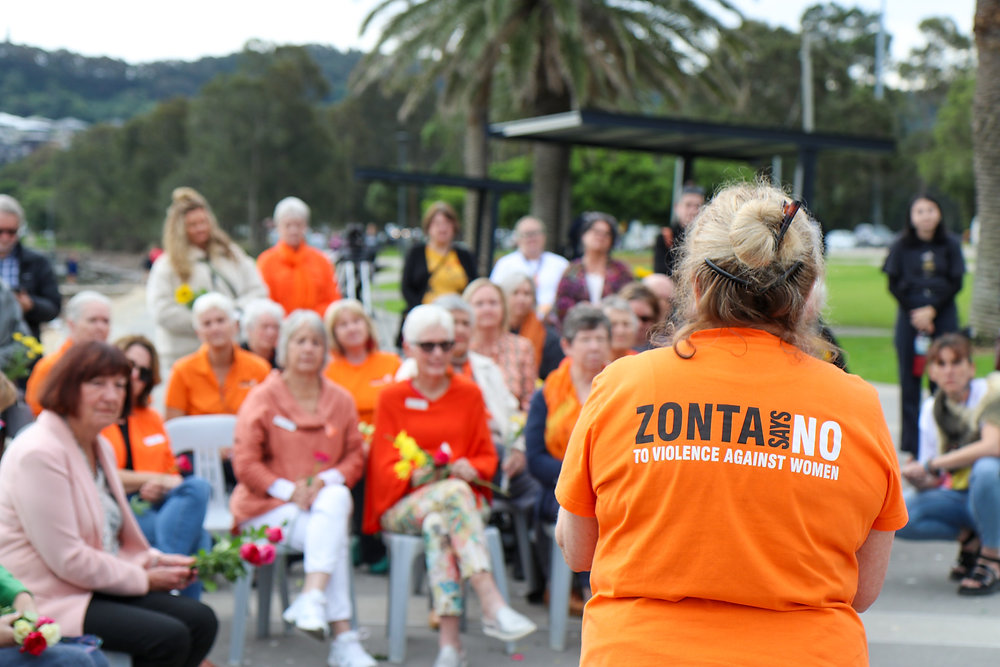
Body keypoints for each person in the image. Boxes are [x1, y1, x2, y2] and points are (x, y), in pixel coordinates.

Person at [554, 182, 907, 665]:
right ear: (805, 293)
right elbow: (864, 589)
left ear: (695, 284)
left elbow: (578, 550)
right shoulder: (856, 404)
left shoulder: (622, 385)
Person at [0, 341, 218, 666]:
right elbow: (68, 559)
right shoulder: (39, 452)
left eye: (120, 384)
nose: (112, 395)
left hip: (85, 584)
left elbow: (107, 537)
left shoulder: (99, 443)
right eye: (97, 383)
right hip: (48, 595)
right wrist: (144, 578)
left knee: (201, 620)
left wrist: (157, 562)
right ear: (68, 386)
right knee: (168, 637)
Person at [364, 305, 537, 667]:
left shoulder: (468, 394)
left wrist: (467, 466)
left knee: (440, 523)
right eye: (427, 346)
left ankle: (449, 644)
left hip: (459, 506)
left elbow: (486, 459)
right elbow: (383, 468)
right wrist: (424, 470)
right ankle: (489, 600)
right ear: (408, 348)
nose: (438, 353)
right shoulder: (391, 398)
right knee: (453, 495)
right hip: (405, 504)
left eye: (445, 344)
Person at [231, 310, 376, 667]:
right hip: (266, 508)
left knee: (337, 497)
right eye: (300, 341)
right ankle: (343, 638)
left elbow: (355, 457)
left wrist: (322, 481)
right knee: (333, 536)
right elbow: (245, 463)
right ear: (284, 347)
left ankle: (312, 598)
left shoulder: (340, 400)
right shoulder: (264, 397)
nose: (308, 349)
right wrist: (287, 490)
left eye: (315, 341)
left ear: (325, 350)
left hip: (322, 505)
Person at [100, 335, 211, 599]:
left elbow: (171, 472)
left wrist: (159, 486)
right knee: (199, 538)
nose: (136, 375)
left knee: (198, 486)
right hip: (121, 503)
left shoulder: (151, 417)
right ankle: (175, 592)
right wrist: (150, 480)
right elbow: (104, 473)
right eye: (130, 366)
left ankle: (165, 574)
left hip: (159, 501)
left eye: (144, 371)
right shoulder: (100, 413)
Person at [896, 333, 1000, 595]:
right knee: (897, 516)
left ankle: (992, 556)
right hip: (960, 493)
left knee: (986, 469)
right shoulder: (933, 409)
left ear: (972, 367)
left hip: (992, 491)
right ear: (931, 371)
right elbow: (936, 476)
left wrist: (932, 463)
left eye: (957, 362)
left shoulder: (992, 392)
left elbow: (993, 446)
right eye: (941, 364)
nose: (949, 371)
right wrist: (920, 476)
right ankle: (971, 537)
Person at [526, 304, 611, 612]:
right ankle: (581, 586)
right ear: (566, 345)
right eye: (585, 339)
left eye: (600, 339)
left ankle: (611, 586)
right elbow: (534, 458)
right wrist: (579, 476)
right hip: (558, 485)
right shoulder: (548, 391)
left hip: (612, 481)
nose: (594, 346)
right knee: (580, 506)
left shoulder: (623, 386)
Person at [147, 187, 268, 371]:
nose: (200, 229)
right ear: (180, 229)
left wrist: (233, 315)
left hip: (234, 353)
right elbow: (162, 309)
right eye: (193, 225)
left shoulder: (231, 254)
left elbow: (258, 290)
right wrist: (204, 324)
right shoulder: (167, 265)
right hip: (186, 355)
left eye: (203, 222)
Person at [883, 193, 965, 459]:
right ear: (911, 216)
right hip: (909, 321)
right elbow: (893, 283)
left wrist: (932, 311)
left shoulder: (951, 244)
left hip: (943, 319)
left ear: (939, 213)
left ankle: (947, 440)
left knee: (945, 381)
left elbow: (956, 282)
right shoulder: (901, 245)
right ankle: (913, 447)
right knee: (910, 383)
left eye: (931, 209)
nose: (926, 215)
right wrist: (917, 313)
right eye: (920, 211)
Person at [322, 298, 401, 571]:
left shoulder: (391, 363)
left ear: (367, 326)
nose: (351, 328)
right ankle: (368, 542)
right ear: (334, 333)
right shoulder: (329, 370)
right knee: (356, 461)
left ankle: (371, 539)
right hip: (346, 441)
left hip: (390, 439)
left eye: (356, 321)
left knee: (377, 460)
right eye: (343, 325)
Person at [165, 293, 270, 420]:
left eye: (221, 321)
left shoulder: (259, 368)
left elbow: (270, 417)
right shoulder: (182, 371)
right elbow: (173, 425)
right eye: (207, 323)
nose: (215, 328)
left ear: (235, 326)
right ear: (198, 332)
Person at [0, 564, 110, 666]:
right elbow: (73, 564)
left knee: (96, 657)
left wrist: (20, 596)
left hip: (72, 597)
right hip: (58, 600)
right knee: (74, 660)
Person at [26, 291, 112, 416]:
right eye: (92, 320)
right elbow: (36, 410)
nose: (100, 327)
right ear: (72, 324)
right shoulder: (51, 366)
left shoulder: (114, 365)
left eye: (105, 321)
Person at [399, 202, 477, 338]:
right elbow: (406, 288)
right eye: (437, 223)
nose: (442, 228)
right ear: (429, 227)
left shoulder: (464, 255)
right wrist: (420, 311)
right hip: (426, 317)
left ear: (454, 227)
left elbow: (475, 286)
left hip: (457, 321)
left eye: (447, 223)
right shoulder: (417, 253)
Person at [256, 197, 341, 317]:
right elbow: (265, 302)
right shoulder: (266, 262)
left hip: (317, 328)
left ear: (305, 226)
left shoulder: (321, 261)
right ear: (278, 227)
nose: (293, 231)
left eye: (298, 225)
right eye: (288, 225)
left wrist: (312, 320)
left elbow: (332, 300)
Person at [464, 278, 538, 411]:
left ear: (504, 307)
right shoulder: (461, 348)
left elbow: (529, 400)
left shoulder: (522, 347)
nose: (487, 309)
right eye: (479, 304)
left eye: (493, 303)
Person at [551, 212, 632, 327]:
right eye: (596, 231)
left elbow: (629, 300)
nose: (600, 236)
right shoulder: (571, 270)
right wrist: (582, 309)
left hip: (613, 327)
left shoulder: (620, 270)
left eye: (606, 233)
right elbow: (561, 304)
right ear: (583, 235)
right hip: (579, 327)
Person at [0, 194, 61, 340]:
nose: (5, 238)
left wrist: (30, 305)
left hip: (24, 350)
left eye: (11, 232)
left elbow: (54, 308)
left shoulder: (37, 262)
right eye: (0, 231)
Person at [489, 216, 569, 317]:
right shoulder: (505, 264)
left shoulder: (560, 264)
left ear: (544, 236)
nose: (531, 238)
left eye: (535, 233)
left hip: (554, 323)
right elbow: (495, 295)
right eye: (526, 234)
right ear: (517, 238)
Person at [496, 272, 563, 380]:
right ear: (503, 297)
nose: (521, 299)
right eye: (515, 293)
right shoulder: (492, 332)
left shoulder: (549, 339)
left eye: (527, 294)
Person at [654, 184, 705, 276]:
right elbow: (660, 272)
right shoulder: (666, 236)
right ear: (677, 207)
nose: (693, 210)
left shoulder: (707, 236)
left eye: (698, 206)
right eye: (688, 205)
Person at [240, 298, 285, 369]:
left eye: (275, 327)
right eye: (265, 326)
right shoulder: (235, 356)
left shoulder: (282, 360)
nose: (271, 333)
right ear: (249, 329)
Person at [617, 282, 661, 351]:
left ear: (655, 319)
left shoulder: (661, 351)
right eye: (633, 317)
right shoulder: (605, 352)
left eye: (645, 319)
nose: (639, 324)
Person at [600, 295, 640, 361]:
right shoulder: (589, 365)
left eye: (626, 324)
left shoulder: (640, 362)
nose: (620, 331)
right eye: (613, 324)